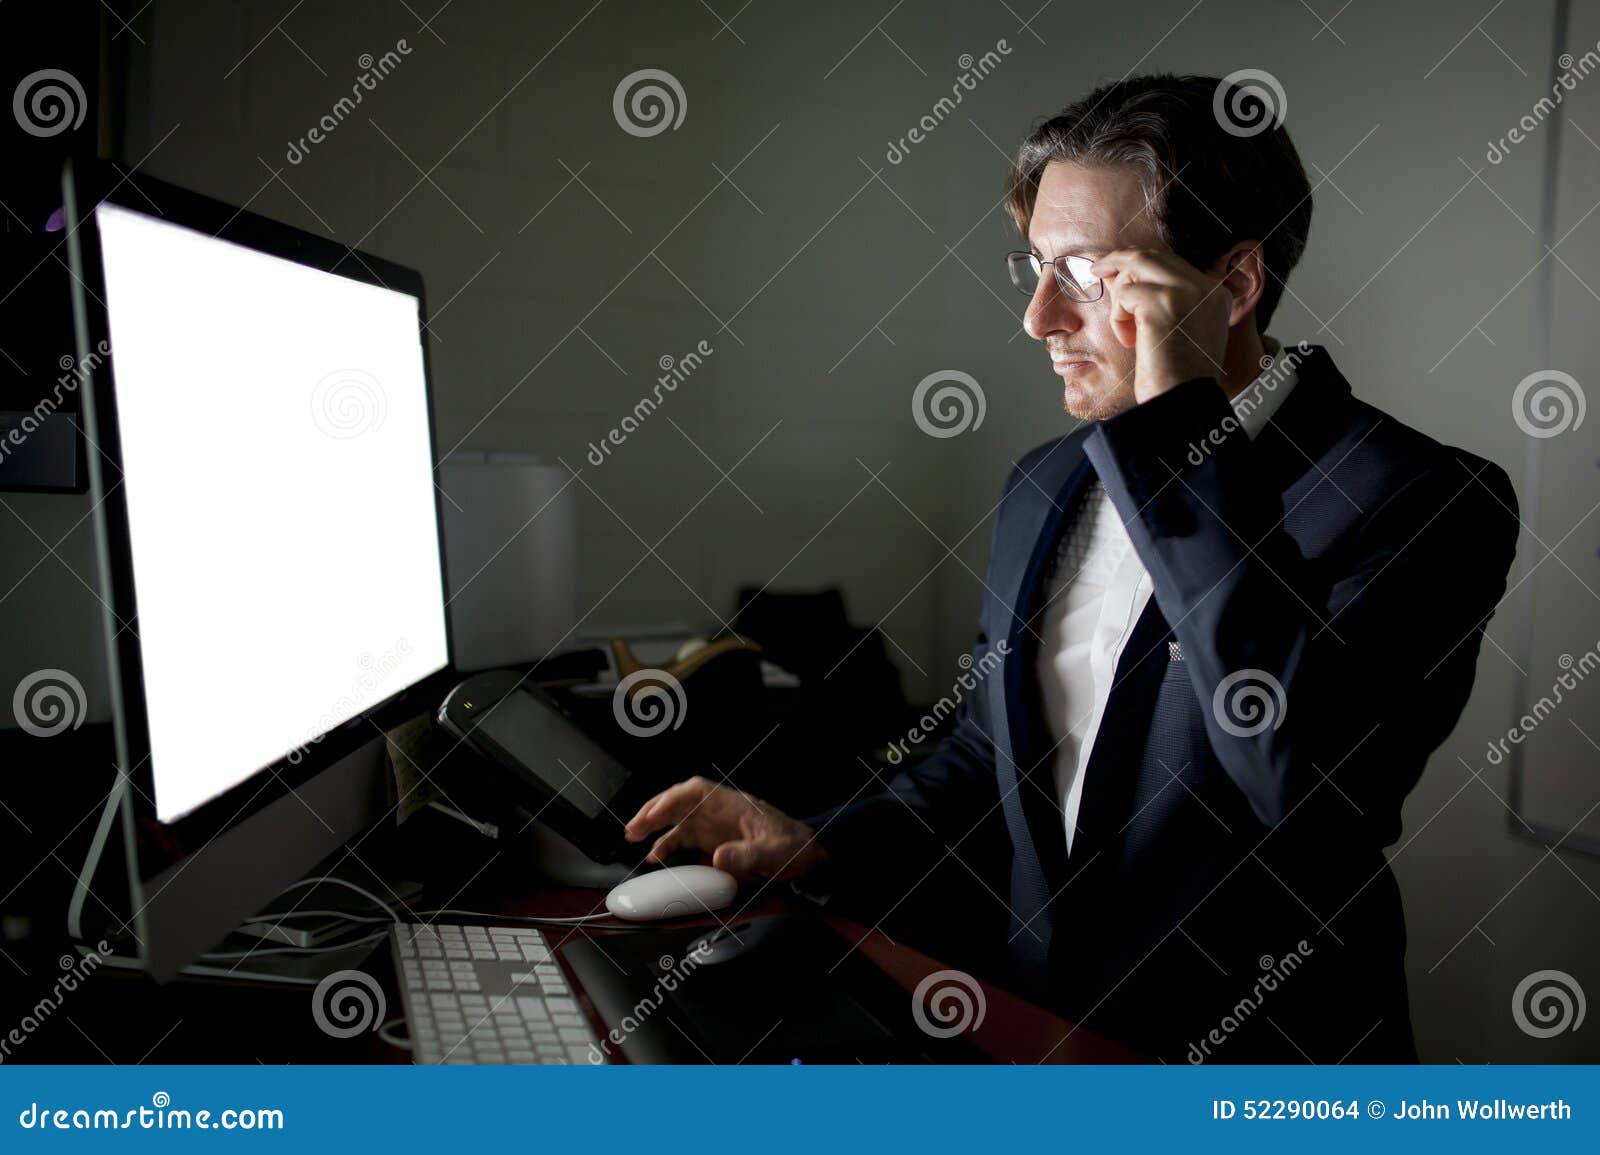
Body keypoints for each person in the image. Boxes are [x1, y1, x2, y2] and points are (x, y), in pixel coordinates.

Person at [625, 74, 1519, 1063]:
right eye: (1034, 268)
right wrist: (819, 836)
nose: (1039, 318)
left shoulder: (1423, 496)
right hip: (1042, 1032)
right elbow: (984, 755)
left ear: (1232, 285)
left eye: (1086, 275)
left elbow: (1306, 792)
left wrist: (1180, 432)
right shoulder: (1047, 483)